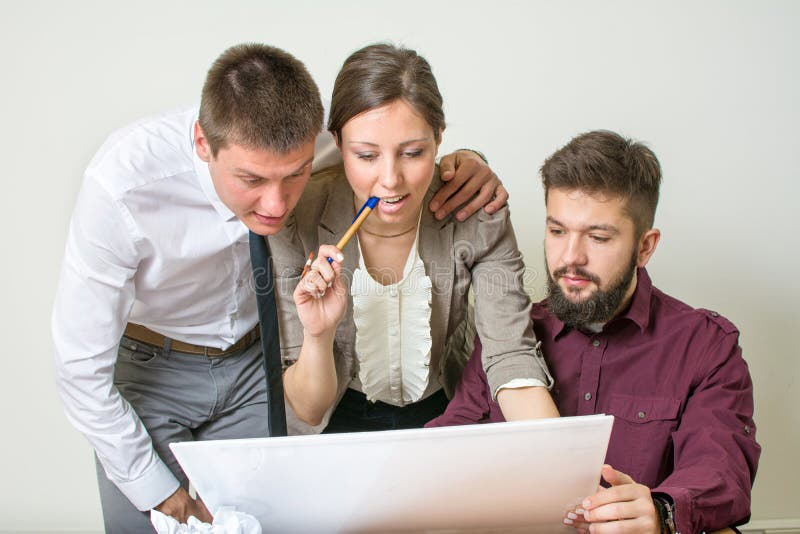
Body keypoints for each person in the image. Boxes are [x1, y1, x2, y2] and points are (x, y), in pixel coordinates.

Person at [52, 43, 505, 532]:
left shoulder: (327, 132)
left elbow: (394, 144)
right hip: (151, 373)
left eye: (295, 175)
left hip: (259, 364)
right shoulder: (120, 185)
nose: (276, 204)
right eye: (251, 179)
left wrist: (467, 163)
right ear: (203, 143)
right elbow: (79, 372)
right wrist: (159, 492)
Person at [426, 130, 761, 533]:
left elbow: (721, 472)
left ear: (645, 246)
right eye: (557, 231)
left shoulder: (707, 346)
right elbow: (444, 449)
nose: (570, 258)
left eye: (598, 237)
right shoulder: (509, 334)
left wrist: (661, 513)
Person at [267, 43, 559, 436]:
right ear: (337, 143)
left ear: (439, 139)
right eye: (366, 156)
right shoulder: (297, 219)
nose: (390, 179)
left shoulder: (476, 211)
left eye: (413, 152)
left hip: (443, 411)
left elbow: (511, 354)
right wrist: (318, 335)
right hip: (335, 416)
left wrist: (567, 465)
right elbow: (307, 408)